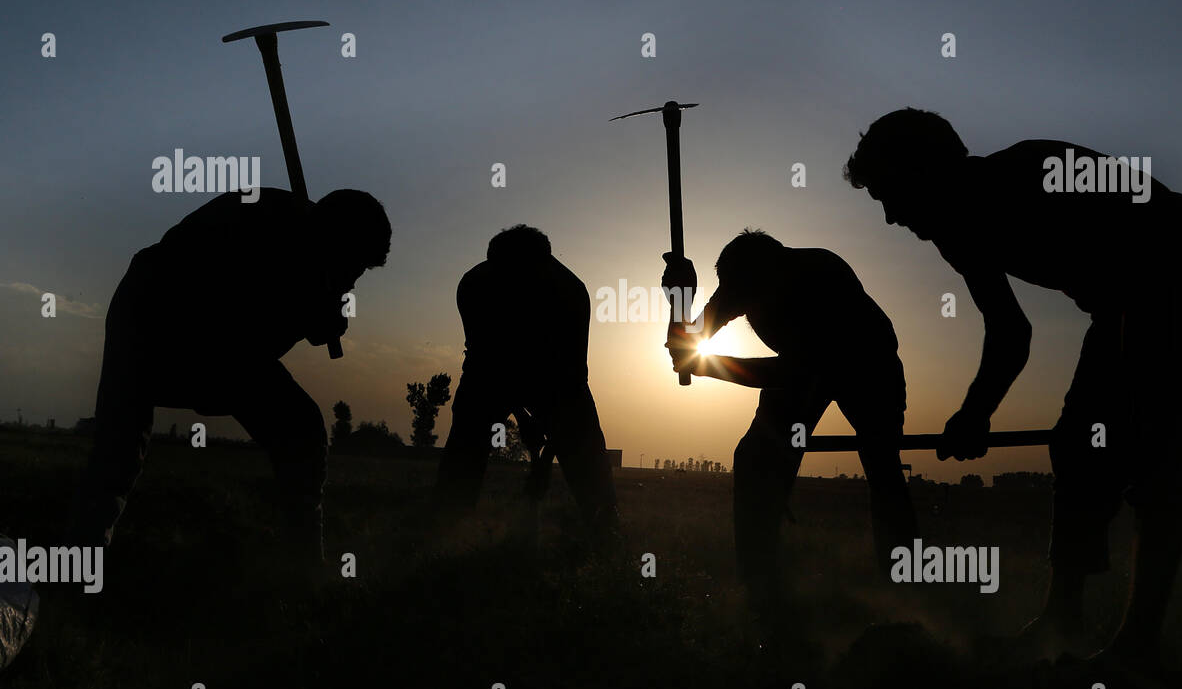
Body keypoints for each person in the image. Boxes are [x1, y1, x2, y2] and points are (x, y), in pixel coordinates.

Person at [843, 108, 1182, 665]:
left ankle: (1139, 647)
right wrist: (975, 412)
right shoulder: (956, 231)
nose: (888, 217)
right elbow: (1010, 329)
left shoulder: (1032, 171)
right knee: (1077, 445)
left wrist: (1156, 400)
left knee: (1156, 456)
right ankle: (1062, 623)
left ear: (923, 171)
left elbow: (1144, 249)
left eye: (888, 194)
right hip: (1123, 302)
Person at [69, 188, 391, 568]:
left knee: (302, 433)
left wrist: (312, 310)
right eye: (353, 267)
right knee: (120, 447)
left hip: (216, 337)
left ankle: (302, 567)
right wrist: (306, 313)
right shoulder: (263, 231)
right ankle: (80, 570)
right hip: (153, 313)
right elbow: (235, 332)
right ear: (336, 242)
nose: (352, 282)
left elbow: (254, 343)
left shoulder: (310, 253)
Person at [662, 230, 916, 609]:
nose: (745, 307)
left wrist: (709, 367)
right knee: (754, 458)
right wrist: (680, 297)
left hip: (868, 366)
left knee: (882, 467)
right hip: (800, 368)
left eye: (752, 298)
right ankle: (760, 589)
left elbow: (794, 373)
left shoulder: (821, 275)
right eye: (739, 301)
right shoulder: (742, 284)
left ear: (776, 270)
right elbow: (683, 345)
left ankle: (905, 593)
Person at [434, 225, 618, 539]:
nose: (506, 282)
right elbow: (487, 359)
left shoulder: (570, 293)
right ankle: (446, 521)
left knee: (581, 437)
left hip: (555, 374)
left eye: (516, 276)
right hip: (488, 368)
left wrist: (545, 460)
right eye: (500, 273)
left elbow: (571, 382)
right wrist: (523, 418)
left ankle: (603, 526)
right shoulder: (475, 286)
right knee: (470, 423)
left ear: (542, 268)